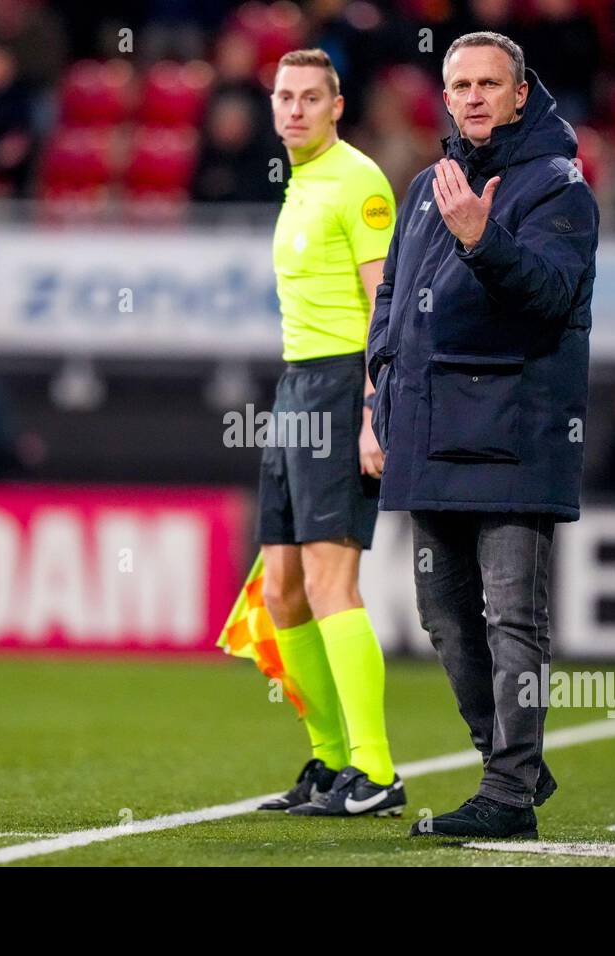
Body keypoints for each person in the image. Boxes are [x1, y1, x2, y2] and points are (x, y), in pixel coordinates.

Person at [366, 32, 598, 839]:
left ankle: (506, 791)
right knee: (444, 616)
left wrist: (479, 236)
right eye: (458, 83)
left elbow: (547, 291)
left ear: (521, 93)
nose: (470, 97)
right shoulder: (432, 184)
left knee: (512, 618)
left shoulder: (559, 187)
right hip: (430, 431)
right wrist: (378, 399)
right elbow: (392, 297)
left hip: (514, 432)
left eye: (488, 84)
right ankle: (515, 768)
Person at [254, 49, 405, 818]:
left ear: (336, 105)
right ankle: (330, 761)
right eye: (284, 97)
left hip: (344, 385)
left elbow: (387, 307)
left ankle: (376, 773)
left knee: (328, 583)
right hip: (295, 386)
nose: (295, 110)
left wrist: (377, 410)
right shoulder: (301, 182)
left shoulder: (358, 179)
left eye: (311, 98)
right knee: (281, 590)